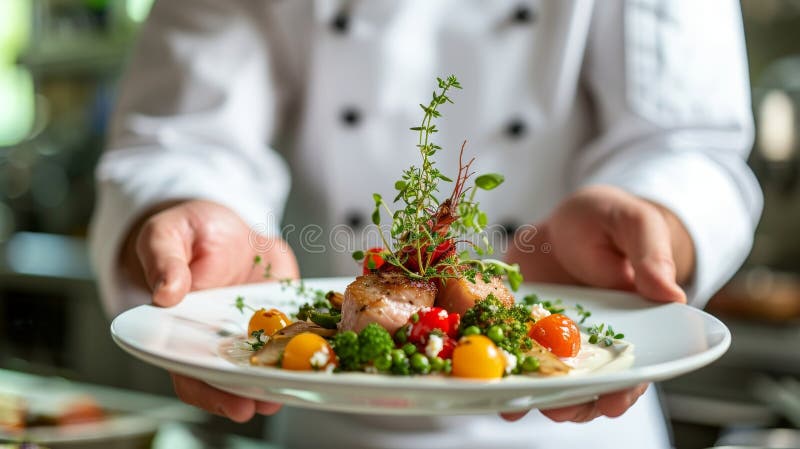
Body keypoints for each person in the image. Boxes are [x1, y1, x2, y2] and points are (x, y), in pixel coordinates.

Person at [89, 1, 762, 448]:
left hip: (573, 426)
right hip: (328, 409)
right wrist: (189, 216)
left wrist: (656, 220)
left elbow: (687, 141)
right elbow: (184, 132)